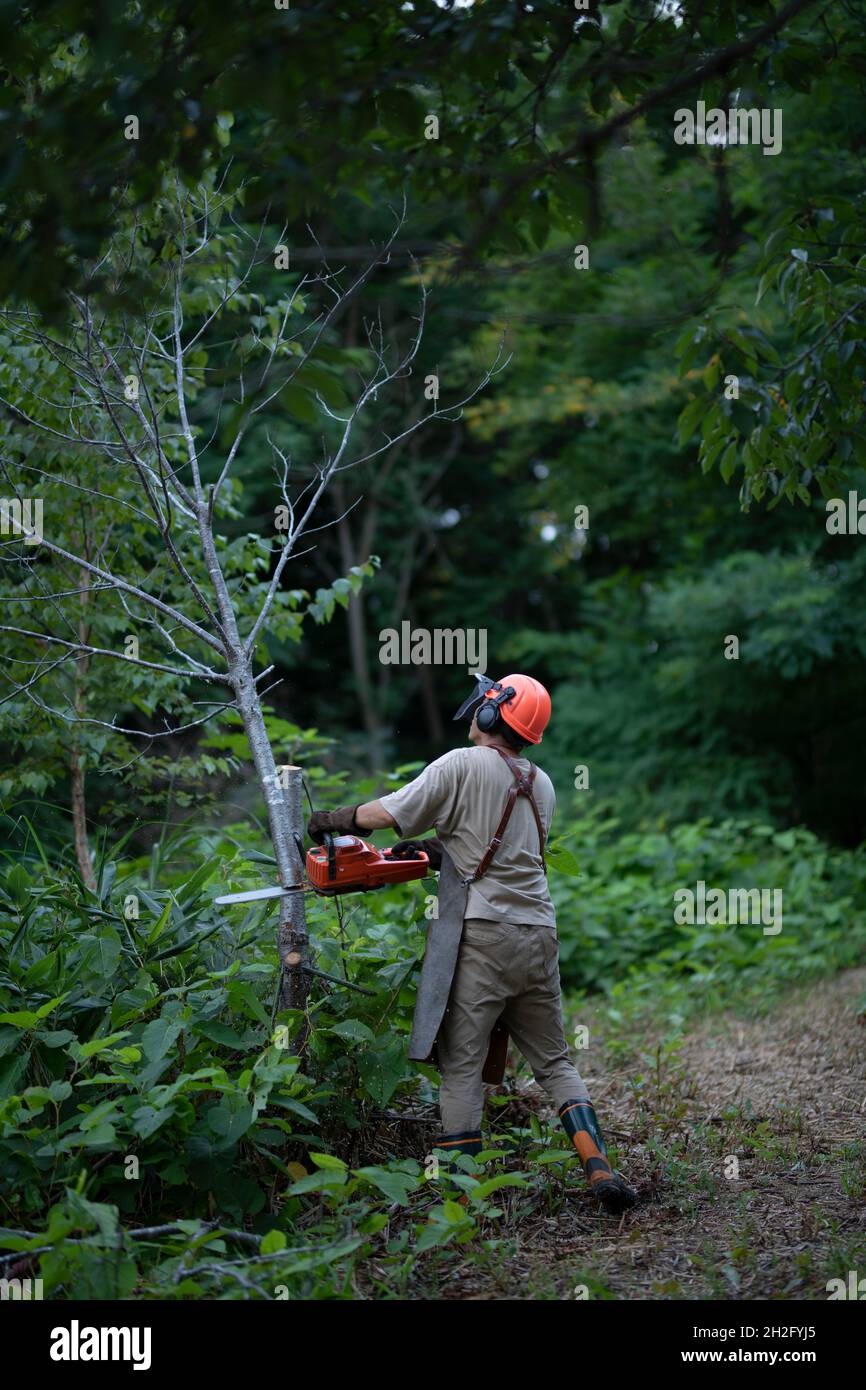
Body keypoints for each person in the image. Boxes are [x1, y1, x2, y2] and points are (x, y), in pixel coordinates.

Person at [307, 671, 636, 1212]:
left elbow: (388, 813)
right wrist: (443, 849)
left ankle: (460, 1200)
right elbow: (505, 849)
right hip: (540, 933)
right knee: (554, 1061)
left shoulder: (460, 764)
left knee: (462, 1066)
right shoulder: (544, 782)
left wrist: (336, 819)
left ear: (490, 714)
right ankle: (599, 1168)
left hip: (483, 935)